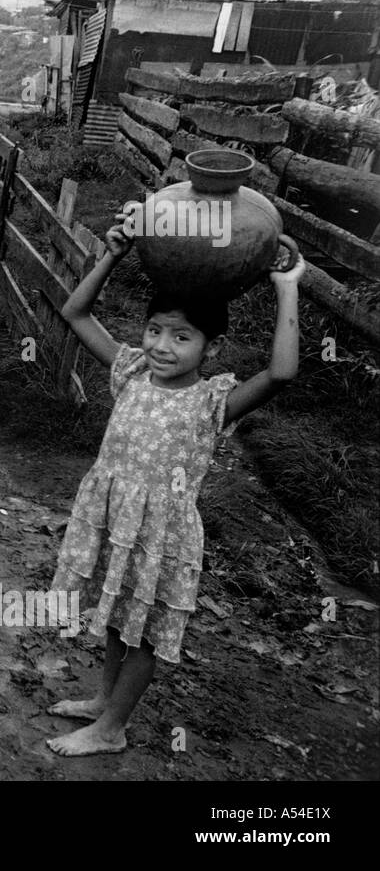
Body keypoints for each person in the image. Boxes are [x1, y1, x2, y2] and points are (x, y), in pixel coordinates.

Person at [46, 206, 304, 756]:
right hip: (115, 516)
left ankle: (112, 729)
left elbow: (281, 373)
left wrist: (287, 288)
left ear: (209, 349)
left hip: (162, 532)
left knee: (144, 627)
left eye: (182, 337)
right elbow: (75, 311)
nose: (162, 345)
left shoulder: (212, 402)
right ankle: (103, 702)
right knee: (117, 613)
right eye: (155, 330)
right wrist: (112, 254)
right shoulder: (132, 369)